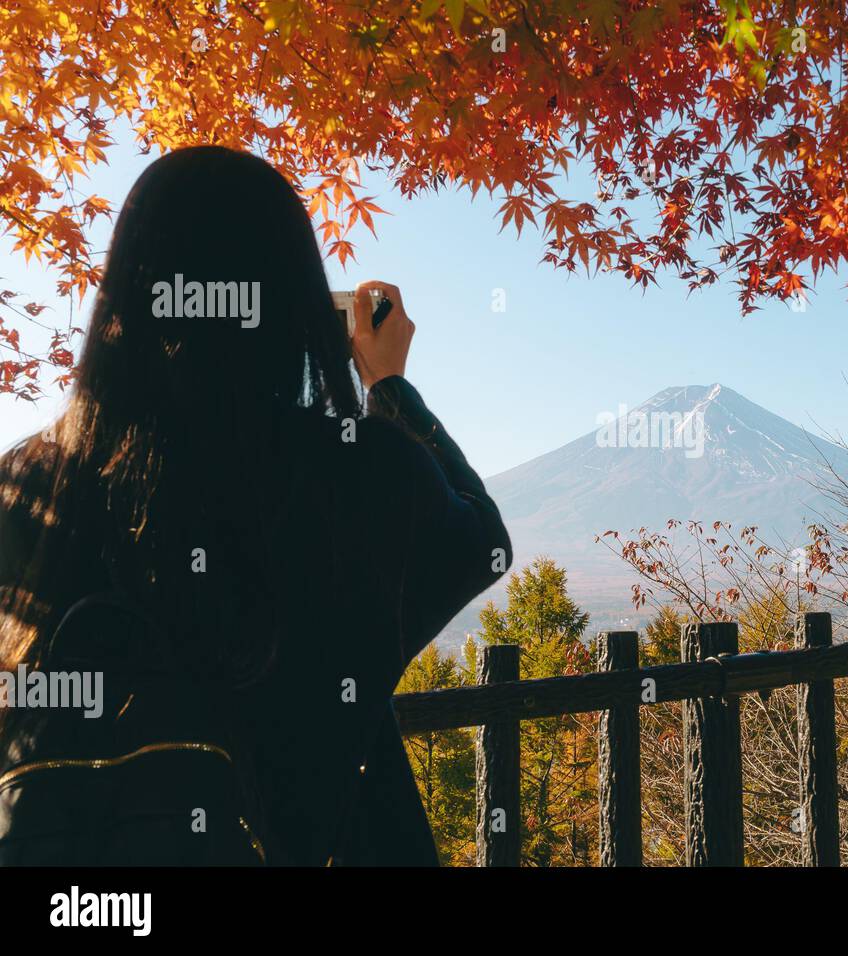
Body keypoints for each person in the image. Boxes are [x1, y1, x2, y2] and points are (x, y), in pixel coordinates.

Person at [0, 145, 510, 865]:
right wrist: (390, 386)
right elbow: (480, 540)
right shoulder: (353, 469)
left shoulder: (27, 483)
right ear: (293, 299)